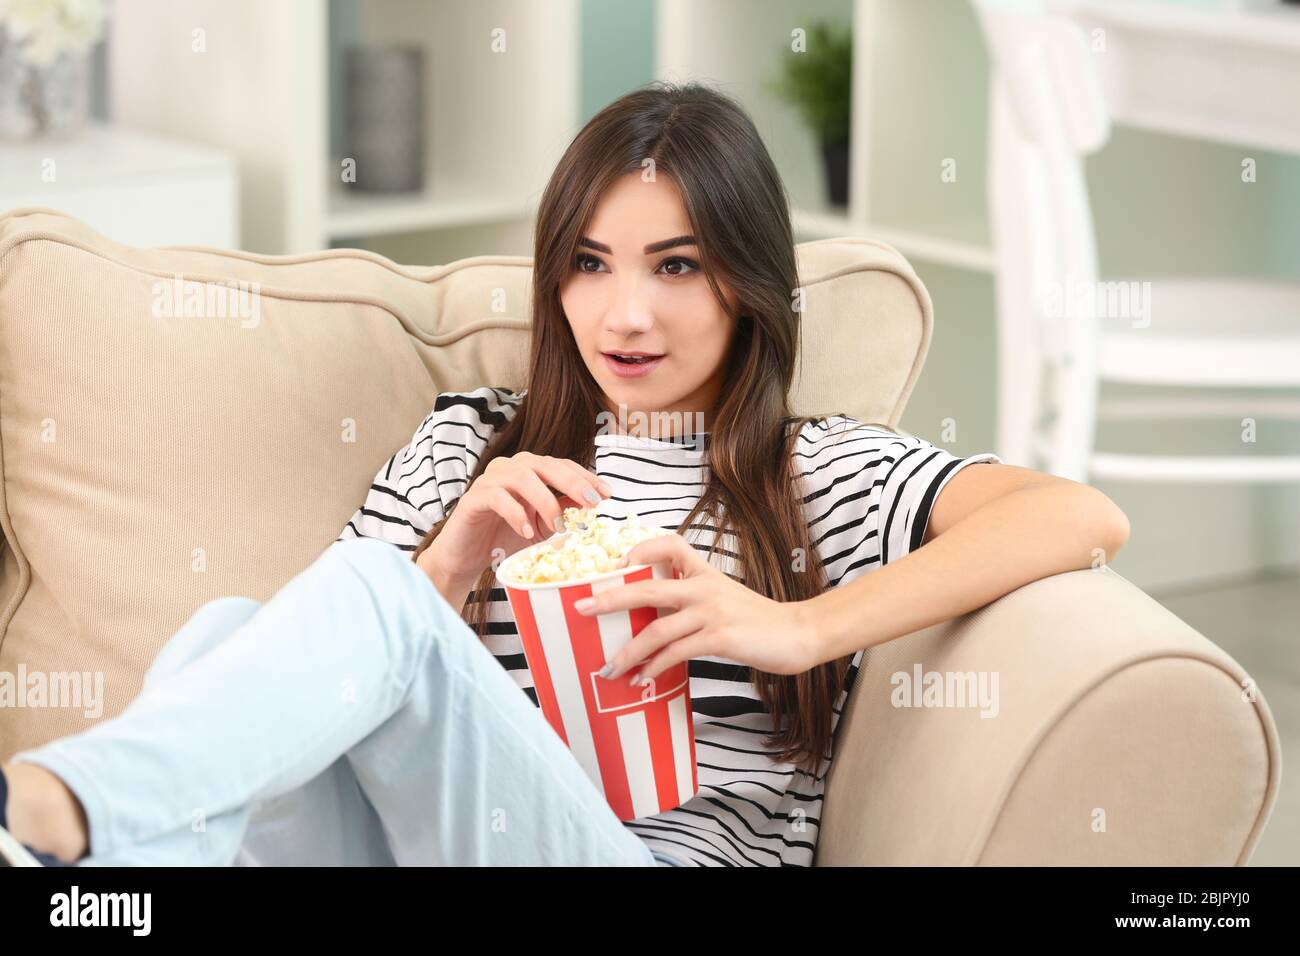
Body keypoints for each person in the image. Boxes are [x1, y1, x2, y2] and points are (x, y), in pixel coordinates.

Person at [0, 82, 1129, 867]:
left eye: (675, 265)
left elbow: (1077, 515)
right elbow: (311, 683)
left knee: (347, 607)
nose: (621, 313)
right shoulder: (467, 446)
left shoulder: (812, 470)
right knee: (223, 635)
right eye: (587, 264)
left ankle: (57, 810)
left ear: (745, 283)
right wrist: (450, 557)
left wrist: (799, 627)